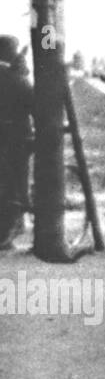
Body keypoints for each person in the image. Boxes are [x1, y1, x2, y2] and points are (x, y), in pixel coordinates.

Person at [0, 37, 33, 249]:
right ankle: (10, 230)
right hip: (16, 136)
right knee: (17, 184)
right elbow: (32, 102)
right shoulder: (16, 78)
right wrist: (23, 74)